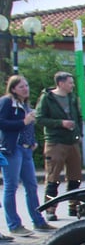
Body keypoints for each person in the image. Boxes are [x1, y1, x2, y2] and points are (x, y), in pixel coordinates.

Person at [1, 75, 54, 236]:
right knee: (11, 186)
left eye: (26, 86)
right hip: (12, 149)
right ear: (13, 89)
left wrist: (32, 141)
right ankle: (14, 225)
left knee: (31, 186)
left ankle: (38, 221)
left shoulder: (25, 104)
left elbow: (28, 128)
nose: (26, 89)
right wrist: (22, 122)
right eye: (21, 87)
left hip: (26, 149)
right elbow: (2, 123)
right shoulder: (7, 102)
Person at [35, 71, 83, 221]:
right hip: (55, 142)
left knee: (75, 176)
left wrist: (79, 134)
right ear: (61, 83)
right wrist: (60, 123)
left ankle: (73, 206)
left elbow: (78, 116)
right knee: (53, 177)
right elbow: (40, 118)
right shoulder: (47, 98)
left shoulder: (72, 98)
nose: (72, 85)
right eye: (70, 82)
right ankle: (50, 208)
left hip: (72, 141)